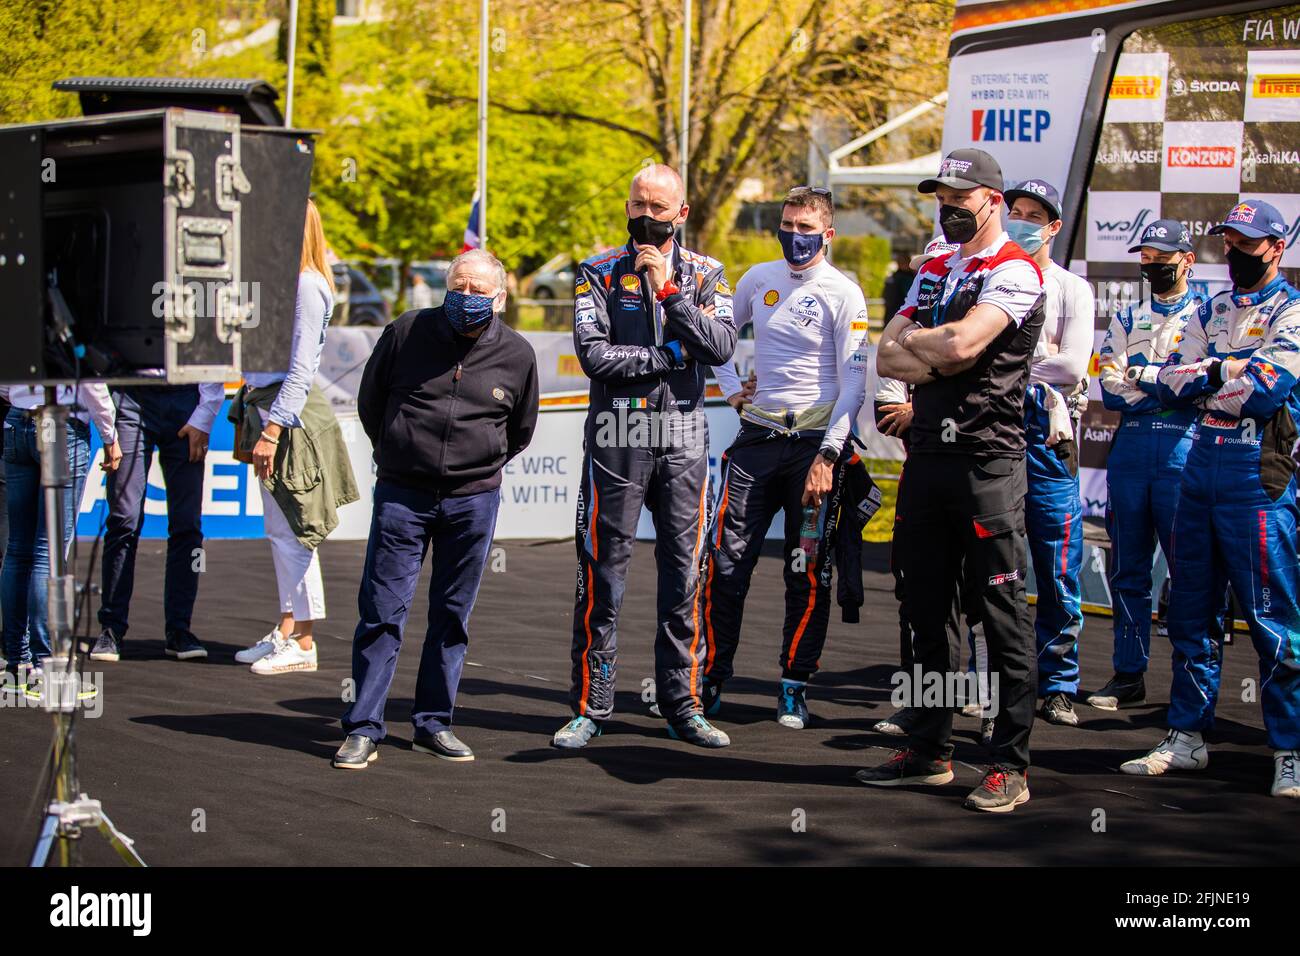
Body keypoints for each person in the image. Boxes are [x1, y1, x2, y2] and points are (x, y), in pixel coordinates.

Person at [861, 148, 1045, 812]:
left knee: (999, 617)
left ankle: (1007, 765)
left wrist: (927, 350)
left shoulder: (1017, 271)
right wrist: (930, 353)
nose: (947, 207)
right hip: (927, 462)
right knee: (923, 613)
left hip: (988, 463)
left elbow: (967, 345)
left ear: (992, 201)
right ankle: (929, 750)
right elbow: (883, 351)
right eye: (939, 196)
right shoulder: (936, 264)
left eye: (959, 197)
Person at [552, 164, 737, 750]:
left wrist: (669, 294)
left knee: (685, 573)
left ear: (682, 213)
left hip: (684, 434)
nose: (647, 217)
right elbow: (596, 358)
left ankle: (682, 703)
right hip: (616, 431)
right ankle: (592, 705)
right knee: (603, 571)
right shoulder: (598, 271)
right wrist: (672, 356)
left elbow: (721, 346)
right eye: (638, 205)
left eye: (659, 208)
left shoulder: (707, 273)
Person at [333, 249, 537, 769]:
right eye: (458, 287)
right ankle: (363, 727)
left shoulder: (517, 355)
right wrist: (397, 452)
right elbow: (370, 403)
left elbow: (520, 431)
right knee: (382, 612)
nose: (466, 298)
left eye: (478, 291)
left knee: (451, 616)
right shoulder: (406, 331)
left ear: (500, 298)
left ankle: (433, 722)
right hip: (403, 494)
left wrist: (476, 467)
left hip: (473, 500)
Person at [1123, 199, 1300, 799]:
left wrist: (1209, 376)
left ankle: (1289, 750)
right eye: (1228, 240)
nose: (1234, 252)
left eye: (1247, 242)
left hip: (1259, 476)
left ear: (1276, 248)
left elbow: (1261, 394)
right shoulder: (1214, 307)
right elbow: (1174, 379)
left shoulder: (1294, 310)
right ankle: (1186, 736)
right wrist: (1217, 374)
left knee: (1273, 619)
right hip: (1199, 466)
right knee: (1191, 611)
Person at [701, 186, 868, 730]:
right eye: (787, 225)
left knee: (808, 572)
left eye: (806, 227)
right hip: (757, 438)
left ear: (828, 234)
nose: (795, 236)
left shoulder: (845, 292)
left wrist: (828, 454)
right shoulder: (757, 278)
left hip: (813, 449)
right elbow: (717, 339)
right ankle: (711, 678)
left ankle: (795, 684)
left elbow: (854, 385)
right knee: (726, 565)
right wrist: (731, 390)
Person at [230, 199, 360, 675]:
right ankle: (287, 629)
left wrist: (271, 430)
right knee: (280, 529)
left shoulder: (306, 285)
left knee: (295, 531)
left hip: (289, 421)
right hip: (275, 414)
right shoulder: (290, 284)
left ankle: (303, 641)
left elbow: (300, 370)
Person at [1086, 219, 1206, 711]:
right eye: (1146, 258)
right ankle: (1128, 674)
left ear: (1187, 260)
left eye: (1162, 257)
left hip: (1184, 450)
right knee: (1129, 570)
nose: (1152, 265)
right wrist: (1165, 386)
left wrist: (1149, 378)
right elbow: (1110, 384)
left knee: (1189, 574)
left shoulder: (1205, 316)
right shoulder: (1127, 317)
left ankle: (1190, 683)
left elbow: (1200, 384)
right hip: (1132, 451)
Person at [1003, 179, 1096, 726]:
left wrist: (1006, 369)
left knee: (1058, 565)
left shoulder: (1072, 288)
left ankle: (1058, 683)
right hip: (995, 429)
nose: (1021, 221)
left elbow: (1073, 367)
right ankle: (991, 677)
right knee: (992, 565)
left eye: (1033, 214)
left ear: (1054, 225)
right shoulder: (995, 275)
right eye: (1014, 211)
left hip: (1049, 435)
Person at [87, 367, 225, 663]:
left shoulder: (201, 316)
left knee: (187, 525)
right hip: (130, 395)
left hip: (186, 397)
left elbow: (213, 349)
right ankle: (111, 628)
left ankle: (179, 630)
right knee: (124, 519)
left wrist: (205, 415)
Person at [2, 385, 118, 694]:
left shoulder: (17, 332)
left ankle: (18, 662)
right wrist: (110, 434)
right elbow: (93, 383)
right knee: (47, 551)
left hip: (17, 419)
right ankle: (46, 665)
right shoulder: (69, 333)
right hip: (61, 425)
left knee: (18, 549)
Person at [882, 249, 917, 321]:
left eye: (904, 261)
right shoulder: (896, 277)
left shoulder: (912, 277)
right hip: (896, 312)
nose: (902, 263)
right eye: (901, 261)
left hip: (902, 313)